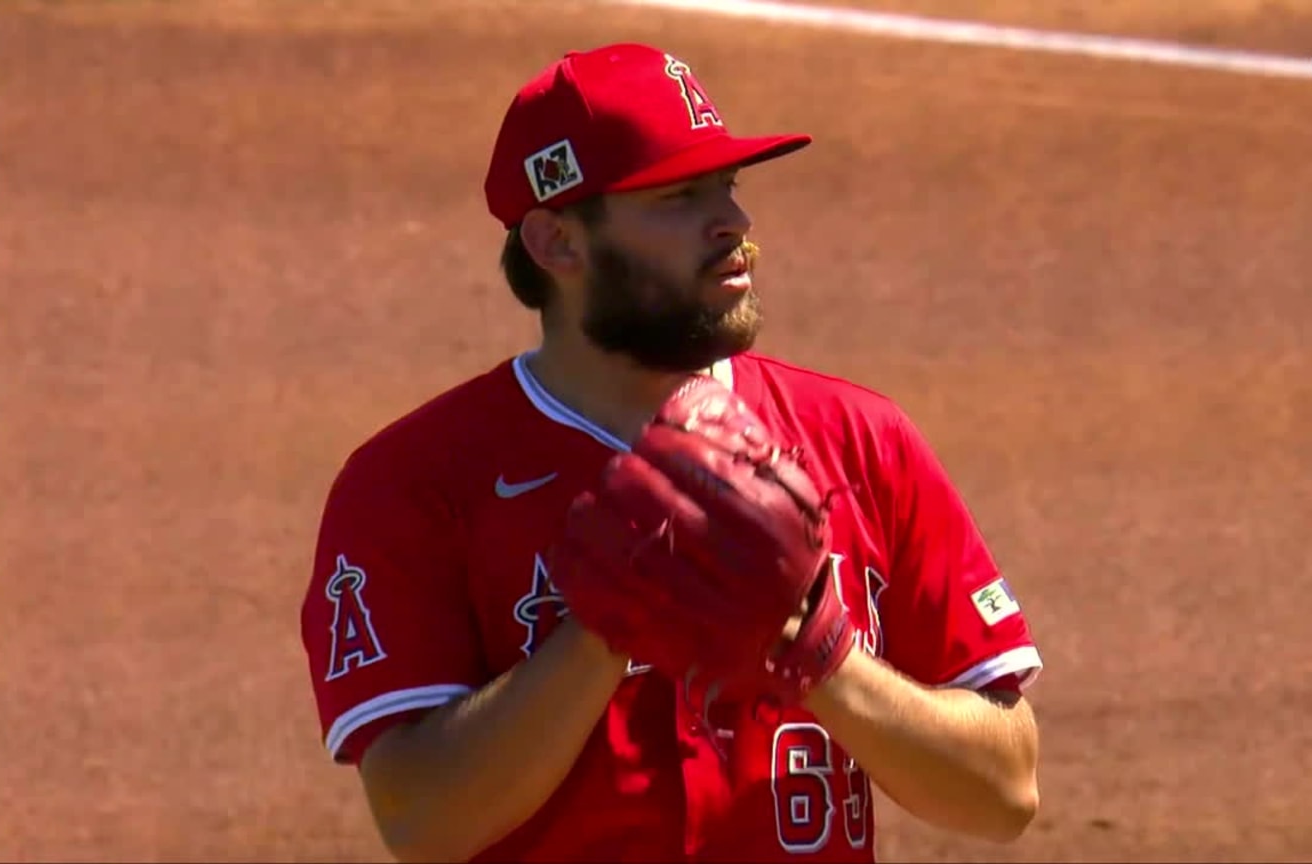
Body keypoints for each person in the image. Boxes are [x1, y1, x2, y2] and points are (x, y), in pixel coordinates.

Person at [299, 41, 1044, 863]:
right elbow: (422, 822)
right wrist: (605, 626)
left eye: (727, 186)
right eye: (680, 196)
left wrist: (819, 653)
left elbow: (1004, 794)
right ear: (556, 242)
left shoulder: (861, 440)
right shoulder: (415, 483)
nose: (733, 222)